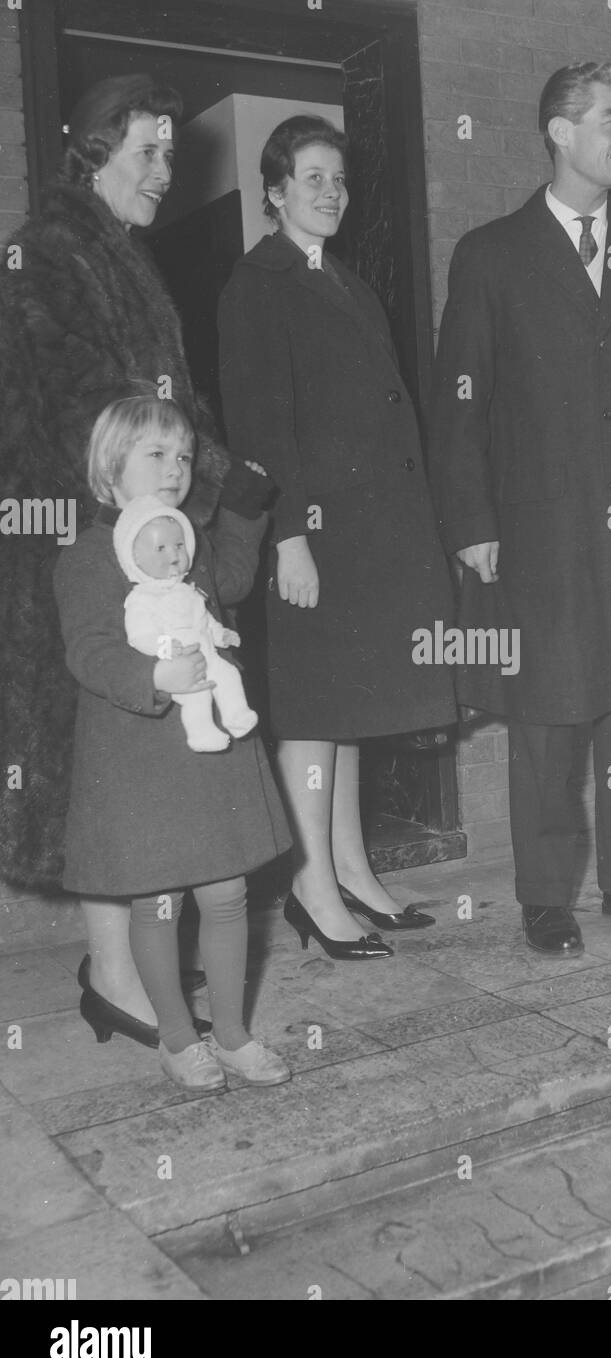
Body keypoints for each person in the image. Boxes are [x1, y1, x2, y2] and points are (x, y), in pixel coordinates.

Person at [428, 62, 611, 957]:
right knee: (547, 714)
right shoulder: (489, 253)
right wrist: (472, 522)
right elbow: (459, 405)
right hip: (537, 531)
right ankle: (545, 896)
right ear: (559, 131)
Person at [0, 74, 234, 1041]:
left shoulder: (120, 255)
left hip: (132, 538)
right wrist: (209, 471)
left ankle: (135, 964)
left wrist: (210, 473)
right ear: (93, 150)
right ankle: (113, 973)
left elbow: (155, 406)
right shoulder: (48, 252)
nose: (166, 173)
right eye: (148, 151)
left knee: (136, 756)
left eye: (173, 153)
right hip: (76, 550)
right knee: (97, 757)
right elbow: (89, 406)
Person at [218, 115, 457, 962]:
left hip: (368, 535)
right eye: (311, 178)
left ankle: (352, 866)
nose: (329, 193)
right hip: (311, 533)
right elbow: (259, 427)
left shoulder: (349, 284)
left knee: (352, 706)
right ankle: (310, 887)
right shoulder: (258, 283)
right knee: (315, 712)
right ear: (274, 190)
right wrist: (287, 539)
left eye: (339, 181)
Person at [54, 394, 292, 1091]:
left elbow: (234, 582)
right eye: (156, 454)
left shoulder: (185, 538)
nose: (175, 468)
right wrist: (151, 673)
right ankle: (178, 1038)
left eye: (183, 456)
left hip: (207, 750)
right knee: (158, 902)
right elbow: (88, 650)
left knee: (225, 896)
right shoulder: (90, 552)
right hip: (138, 757)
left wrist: (245, 510)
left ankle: (236, 1034)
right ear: (110, 464)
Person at [115, 495, 259, 752]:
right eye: (161, 549)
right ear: (135, 558)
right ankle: (201, 734)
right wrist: (164, 647)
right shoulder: (142, 598)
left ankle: (236, 716)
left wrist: (220, 635)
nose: (174, 554)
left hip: (208, 656)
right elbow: (139, 635)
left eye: (179, 545)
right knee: (198, 698)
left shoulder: (188, 592)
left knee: (229, 675)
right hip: (178, 665)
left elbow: (204, 620)